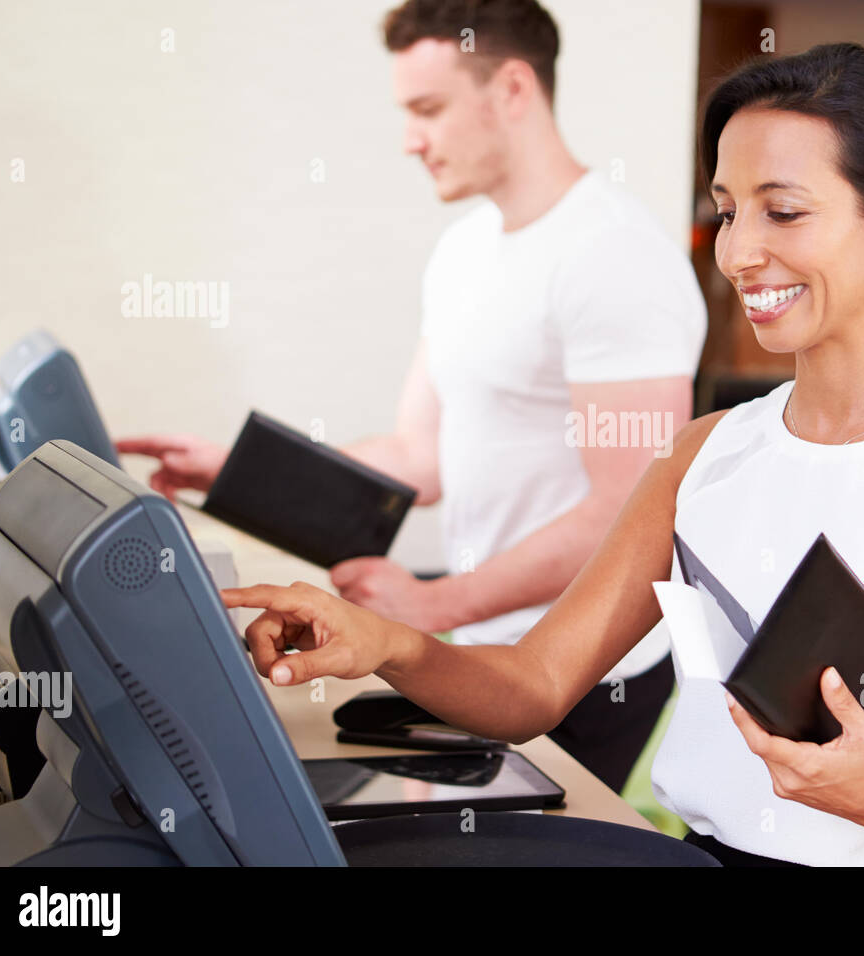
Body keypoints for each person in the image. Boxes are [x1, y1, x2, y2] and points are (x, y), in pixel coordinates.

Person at [221, 42, 864, 866]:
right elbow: (535, 686)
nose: (739, 251)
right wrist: (385, 642)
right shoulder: (704, 455)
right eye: (728, 213)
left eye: (784, 212)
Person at [117, 0, 706, 794]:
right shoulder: (466, 251)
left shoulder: (616, 258)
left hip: (585, 669)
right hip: (485, 646)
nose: (410, 139)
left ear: (511, 89)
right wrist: (236, 472)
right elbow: (417, 458)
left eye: (427, 109)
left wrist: (431, 605)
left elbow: (627, 510)